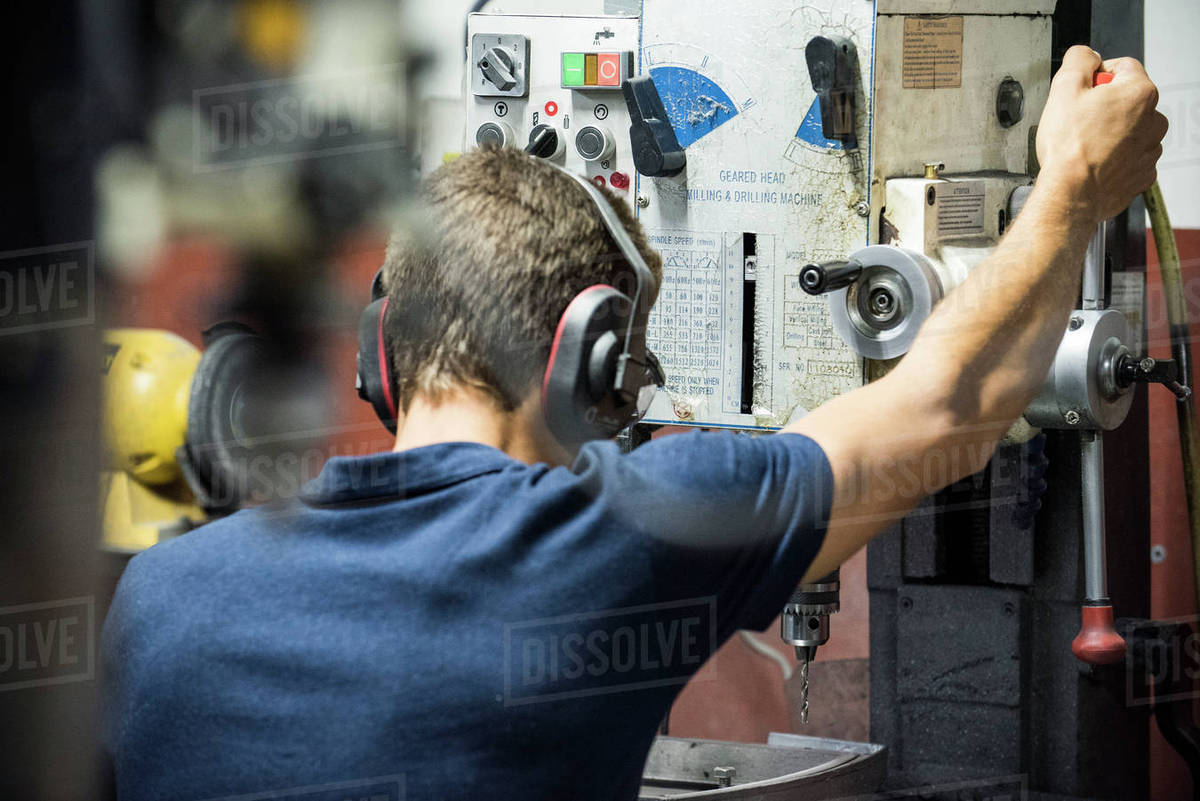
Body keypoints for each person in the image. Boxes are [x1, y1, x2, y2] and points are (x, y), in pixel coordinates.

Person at [102, 46, 1167, 800]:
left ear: (380, 353)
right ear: (593, 356)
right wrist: (1075, 183)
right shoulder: (622, 533)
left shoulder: (156, 598)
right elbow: (955, 406)